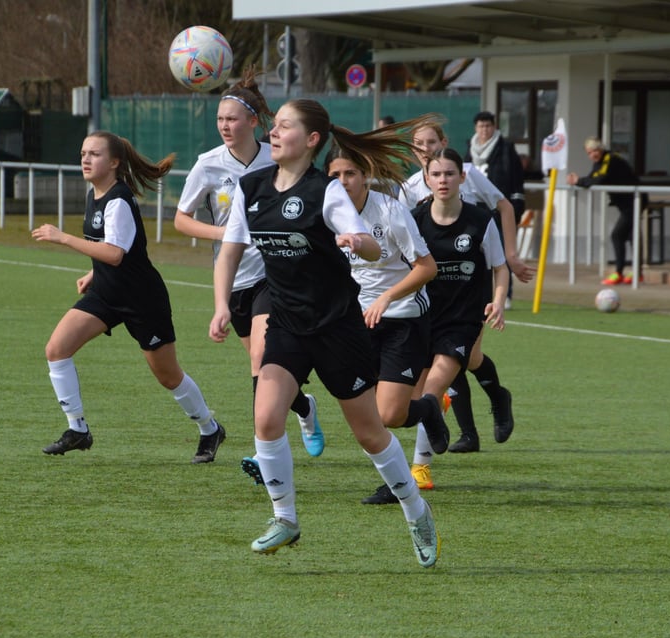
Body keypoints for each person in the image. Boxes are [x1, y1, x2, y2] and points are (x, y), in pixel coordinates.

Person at [210, 100, 441, 568]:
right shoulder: (251, 188)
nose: (274, 133)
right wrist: (219, 305)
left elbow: (373, 247)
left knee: (370, 433)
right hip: (288, 325)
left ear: (311, 140)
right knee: (267, 417)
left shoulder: (327, 192)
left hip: (338, 328)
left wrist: (358, 241)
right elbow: (230, 251)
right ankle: (285, 519)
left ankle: (416, 511)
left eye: (285, 127)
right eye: (273, 126)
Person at [32, 131, 225, 463]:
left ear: (114, 162)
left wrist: (62, 238)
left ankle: (210, 428)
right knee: (56, 349)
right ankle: (77, 429)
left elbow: (115, 253)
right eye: (83, 153)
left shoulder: (118, 199)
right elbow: (116, 248)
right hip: (106, 295)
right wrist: (94, 274)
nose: (85, 159)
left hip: (141, 299)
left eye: (94, 154)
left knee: (168, 375)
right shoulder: (96, 194)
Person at [174, 68, 325, 457]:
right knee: (265, 366)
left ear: (253, 122)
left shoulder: (275, 159)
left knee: (262, 356)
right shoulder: (208, 163)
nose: (225, 125)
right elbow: (181, 219)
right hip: (233, 275)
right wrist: (226, 234)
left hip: (272, 275)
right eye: (220, 119)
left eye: (232, 119)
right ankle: (305, 407)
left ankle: (265, 452)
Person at [321, 144, 448, 506]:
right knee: (365, 414)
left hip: (404, 317)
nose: (343, 182)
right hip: (355, 323)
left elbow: (427, 268)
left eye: (350, 174)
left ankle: (426, 408)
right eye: (335, 175)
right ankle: (393, 483)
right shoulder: (327, 216)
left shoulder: (390, 211)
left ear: (365, 176)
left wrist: (386, 297)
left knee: (390, 414)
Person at [404, 120, 533, 454]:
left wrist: (506, 273)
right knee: (464, 362)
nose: (425, 150)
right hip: (427, 307)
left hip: (467, 302)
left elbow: (503, 210)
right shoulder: (410, 198)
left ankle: (427, 461)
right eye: (418, 144)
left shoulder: (473, 188)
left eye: (430, 142)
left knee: (450, 366)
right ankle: (480, 418)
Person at [407, 147, 511, 491]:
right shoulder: (415, 219)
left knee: (433, 391)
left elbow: (499, 267)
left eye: (449, 173)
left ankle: (419, 467)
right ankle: (497, 397)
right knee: (416, 397)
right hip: (422, 316)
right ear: (426, 179)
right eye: (436, 174)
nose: (443, 180)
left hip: (464, 321)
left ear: (462, 177)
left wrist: (497, 302)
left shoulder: (480, 220)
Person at [566, 137, 645, 285]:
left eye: (595, 151)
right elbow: (592, 178)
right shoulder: (599, 163)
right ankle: (635, 273)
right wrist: (578, 181)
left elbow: (602, 178)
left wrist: (580, 181)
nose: (593, 155)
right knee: (630, 235)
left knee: (618, 235)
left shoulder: (610, 159)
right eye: (589, 152)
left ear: (601, 149)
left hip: (634, 200)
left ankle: (621, 273)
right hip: (626, 203)